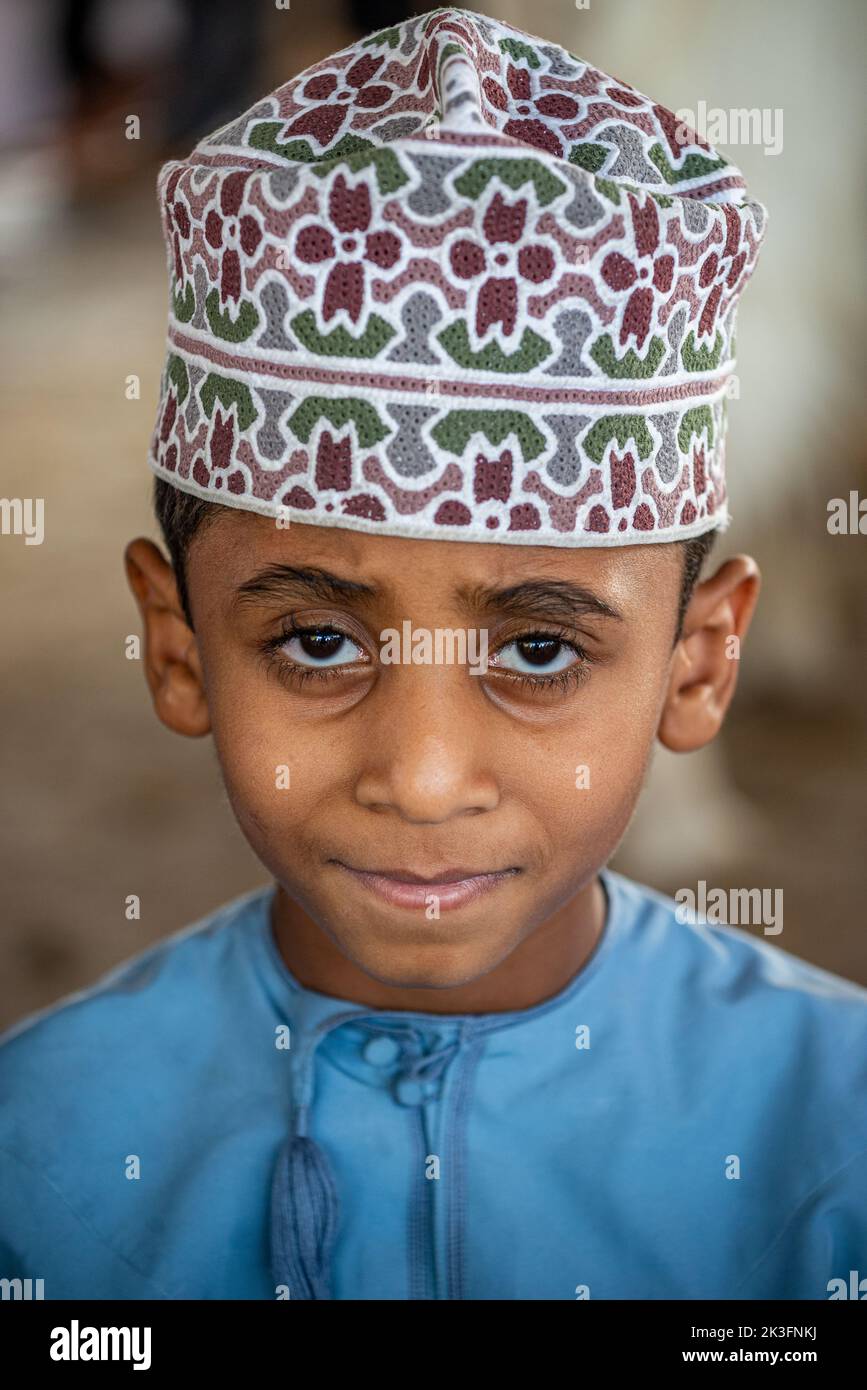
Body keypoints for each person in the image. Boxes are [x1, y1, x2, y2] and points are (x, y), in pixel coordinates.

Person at [2, 6, 865, 1301]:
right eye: (315, 640)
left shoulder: (835, 1131)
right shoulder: (39, 1146)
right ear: (177, 648)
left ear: (698, 663)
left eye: (534, 647)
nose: (420, 775)